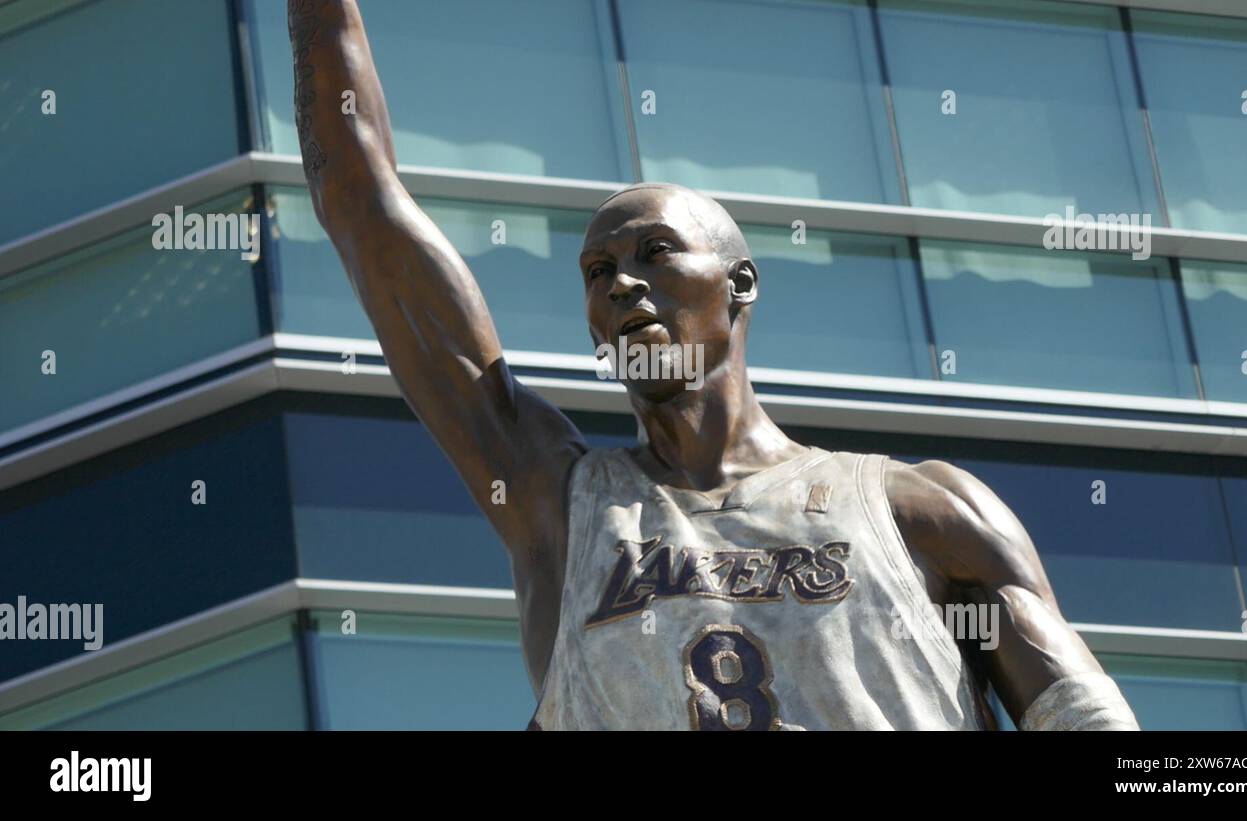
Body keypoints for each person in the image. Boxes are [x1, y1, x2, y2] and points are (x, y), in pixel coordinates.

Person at [288, 0, 1139, 731]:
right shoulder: (561, 505)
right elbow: (362, 203)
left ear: (739, 288)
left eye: (655, 253)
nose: (621, 283)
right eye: (597, 272)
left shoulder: (924, 510)